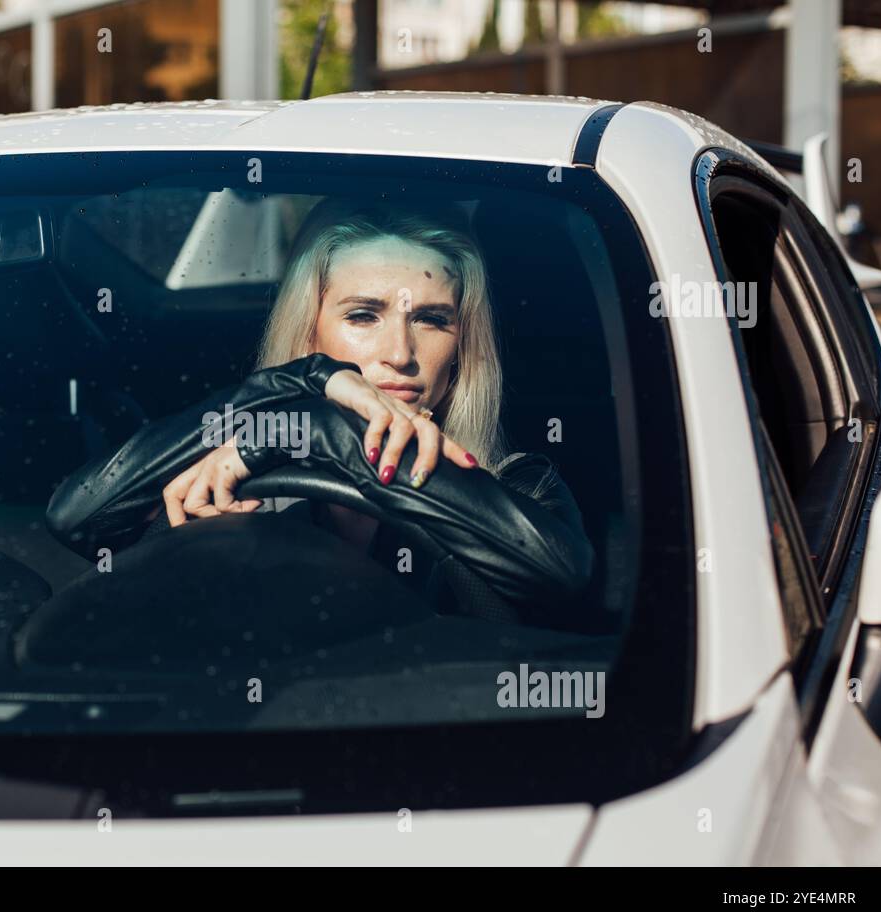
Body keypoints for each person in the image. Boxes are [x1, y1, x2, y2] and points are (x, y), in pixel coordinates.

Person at [46, 201, 593, 620]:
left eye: (431, 319)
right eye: (362, 316)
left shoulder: (523, 486)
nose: (399, 355)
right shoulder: (231, 478)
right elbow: (77, 517)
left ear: (461, 349)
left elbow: (559, 576)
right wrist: (307, 383)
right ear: (310, 332)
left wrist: (319, 430)